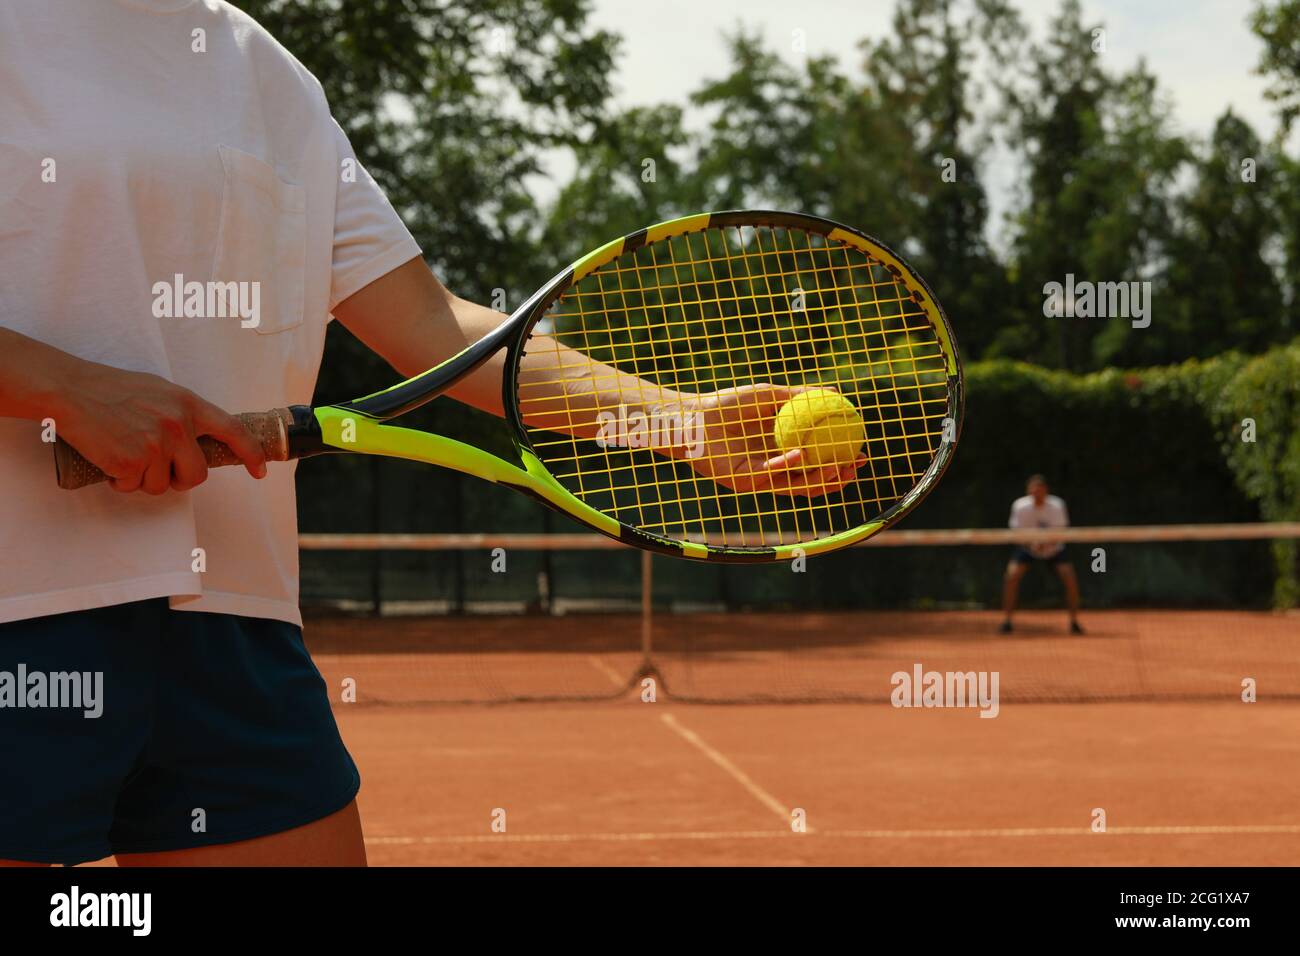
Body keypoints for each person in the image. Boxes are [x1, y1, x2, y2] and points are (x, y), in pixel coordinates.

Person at [0, 1, 856, 868]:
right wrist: (58, 386)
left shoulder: (263, 70)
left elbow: (438, 330)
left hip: (235, 620)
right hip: (19, 612)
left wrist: (686, 422)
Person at [999, 475, 1083, 634]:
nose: (1037, 493)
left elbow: (1061, 532)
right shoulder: (1020, 506)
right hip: (1027, 548)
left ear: (1046, 490)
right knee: (1011, 576)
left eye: (1040, 489)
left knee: (1070, 577)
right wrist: (1033, 544)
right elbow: (1016, 533)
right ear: (1028, 491)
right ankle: (1007, 621)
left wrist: (1046, 544)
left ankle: (1074, 622)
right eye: (1034, 490)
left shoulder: (1057, 505)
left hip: (1055, 548)